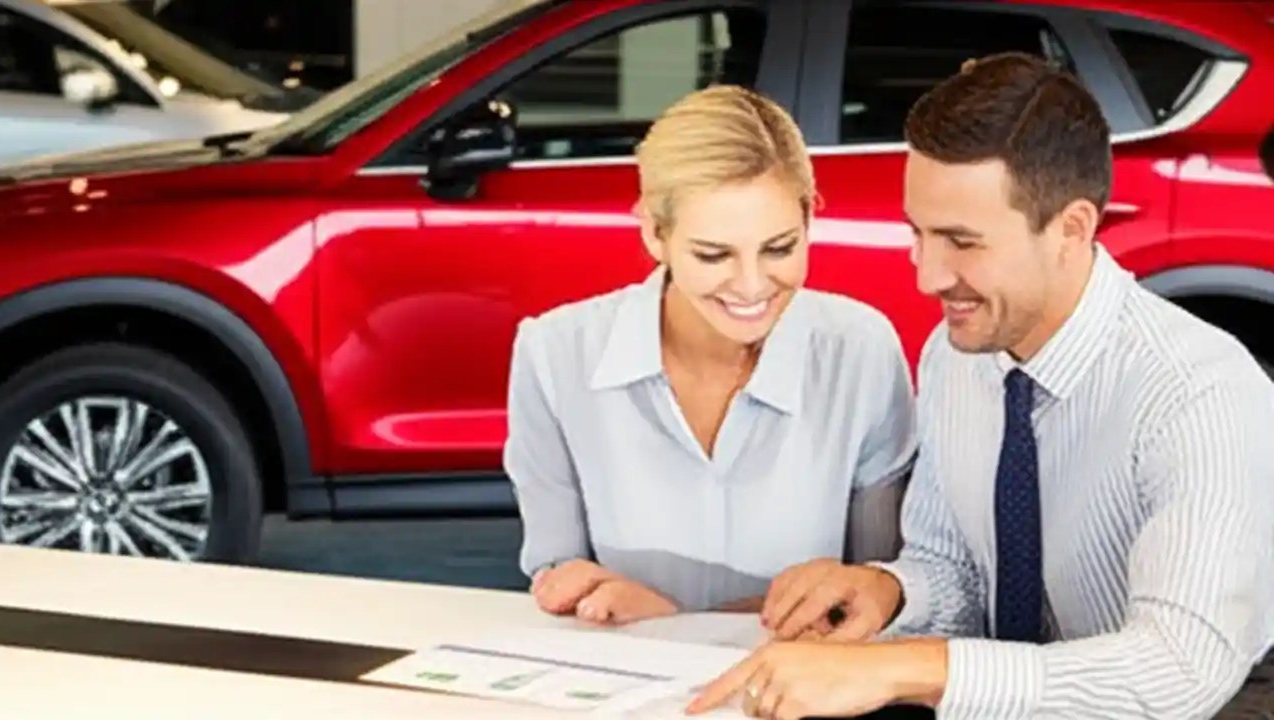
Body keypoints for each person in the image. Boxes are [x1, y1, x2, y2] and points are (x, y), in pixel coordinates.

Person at [687, 53, 1274, 719]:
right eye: (918, 233)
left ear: (1072, 230)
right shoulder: (956, 356)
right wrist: (887, 589)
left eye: (962, 241)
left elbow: (1181, 668)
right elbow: (956, 569)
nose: (927, 275)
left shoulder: (1201, 395)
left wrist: (903, 669)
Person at [502, 85, 917, 626]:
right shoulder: (554, 354)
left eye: (780, 247)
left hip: (803, 691)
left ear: (810, 222)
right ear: (655, 232)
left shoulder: (861, 351)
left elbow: (875, 589)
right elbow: (559, 579)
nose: (751, 285)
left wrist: (672, 616)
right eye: (713, 254)